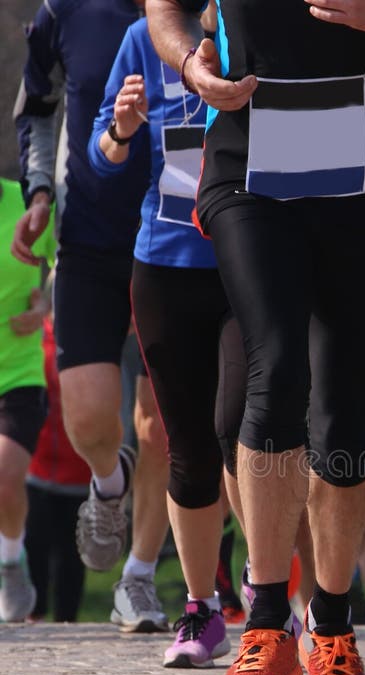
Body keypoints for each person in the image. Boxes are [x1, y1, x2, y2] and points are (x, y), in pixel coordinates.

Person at [147, 0, 365, 675]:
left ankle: (331, 623)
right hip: (248, 161)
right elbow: (164, 8)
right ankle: (266, 622)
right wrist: (186, 60)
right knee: (277, 365)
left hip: (362, 166)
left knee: (345, 406)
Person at [12, 0, 171, 633]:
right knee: (87, 415)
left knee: (159, 425)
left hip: (177, 240)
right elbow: (39, 102)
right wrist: (40, 191)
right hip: (89, 239)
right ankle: (109, 483)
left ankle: (138, 580)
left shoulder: (196, 12)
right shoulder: (67, 10)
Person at [89, 7, 238, 667]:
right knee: (185, 445)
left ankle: (271, 604)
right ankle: (201, 609)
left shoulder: (254, 23)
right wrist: (121, 129)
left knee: (249, 432)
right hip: (167, 261)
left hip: (250, 260)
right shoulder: (141, 40)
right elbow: (102, 154)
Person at [0, 176, 55, 623]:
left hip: (18, 372)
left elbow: (69, 265)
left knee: (4, 474)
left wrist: (45, 310)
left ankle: (11, 562)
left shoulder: (27, 201)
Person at [25, 316, 91, 623]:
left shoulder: (93, 339)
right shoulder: (33, 337)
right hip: (35, 469)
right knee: (34, 547)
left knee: (72, 557)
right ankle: (33, 616)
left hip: (80, 473)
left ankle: (68, 621)